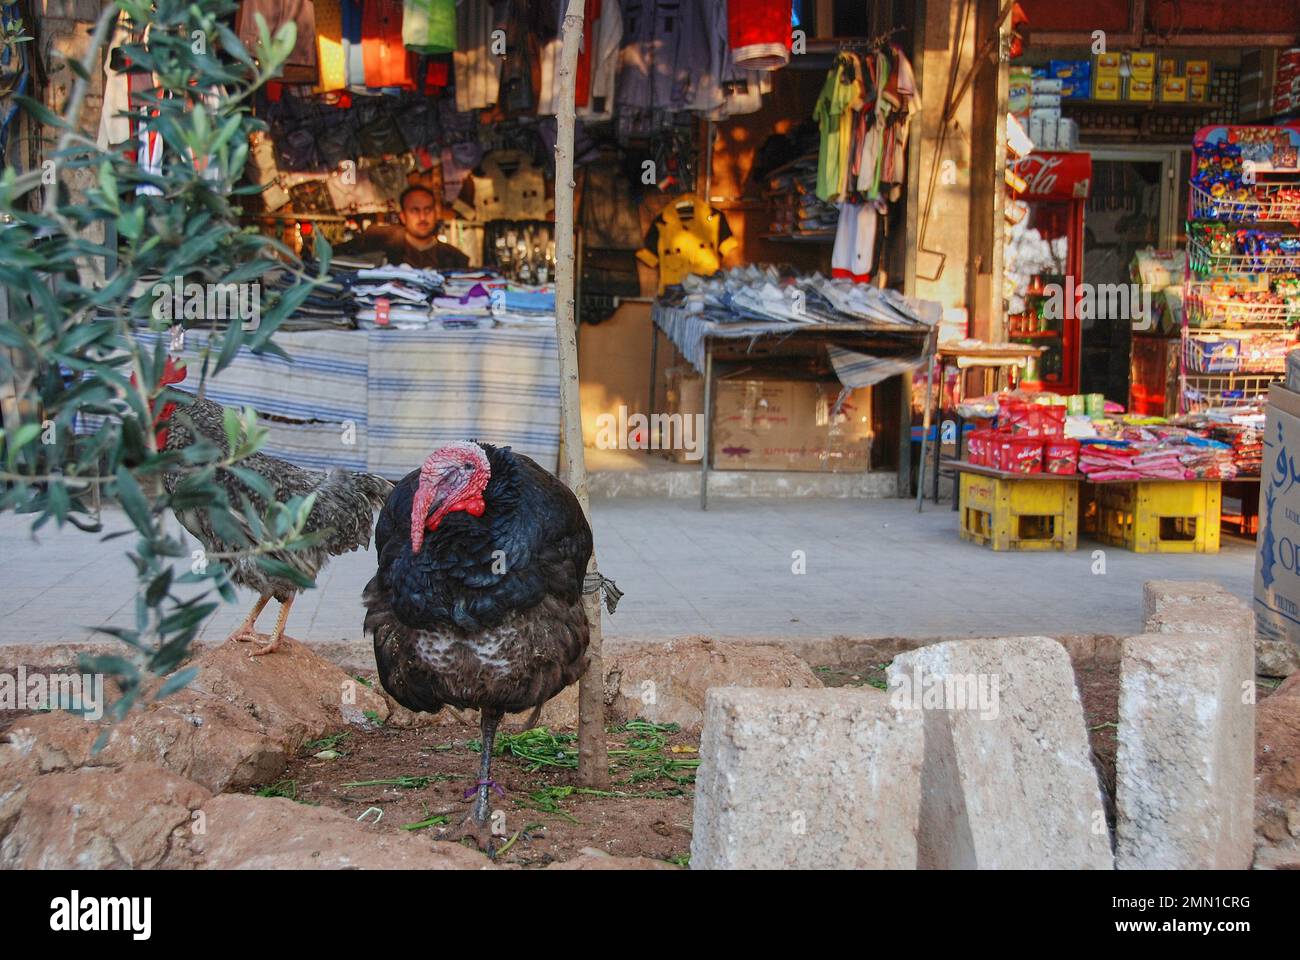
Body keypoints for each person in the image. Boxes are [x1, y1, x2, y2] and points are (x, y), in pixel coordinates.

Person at [340, 185, 470, 269]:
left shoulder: (456, 258)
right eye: (415, 210)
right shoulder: (377, 240)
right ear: (402, 216)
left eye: (428, 210)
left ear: (436, 214)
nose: (422, 217)